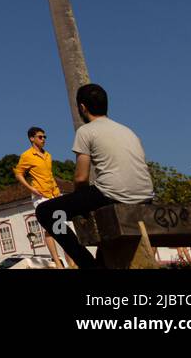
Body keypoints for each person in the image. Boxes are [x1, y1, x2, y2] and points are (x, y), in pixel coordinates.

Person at [35, 83, 155, 270]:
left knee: (46, 212)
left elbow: (81, 178)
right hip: (145, 196)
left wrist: (79, 204)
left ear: (82, 107)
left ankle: (87, 264)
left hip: (112, 194)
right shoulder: (127, 131)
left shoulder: (86, 131)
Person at [15, 126, 70, 269]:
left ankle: (71, 261)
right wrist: (31, 188)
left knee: (62, 227)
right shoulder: (26, 155)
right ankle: (57, 262)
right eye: (40, 137)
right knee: (50, 228)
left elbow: (50, 175)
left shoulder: (48, 155)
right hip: (41, 196)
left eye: (45, 137)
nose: (43, 139)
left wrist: (57, 189)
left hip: (54, 193)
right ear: (31, 138)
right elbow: (18, 173)